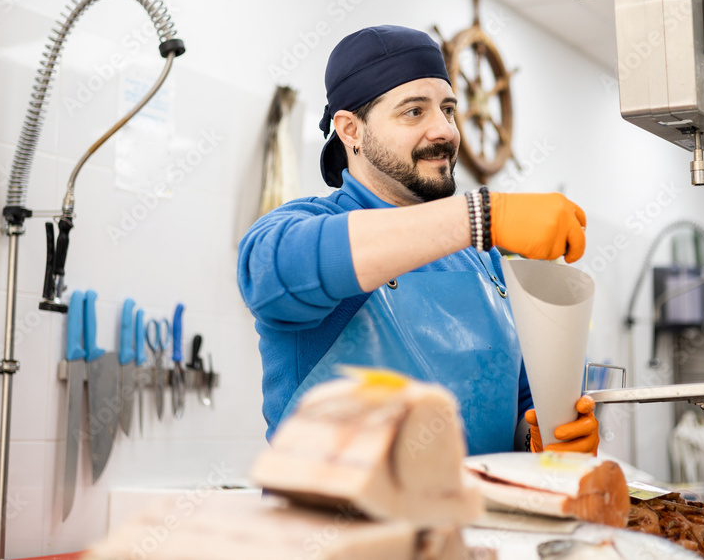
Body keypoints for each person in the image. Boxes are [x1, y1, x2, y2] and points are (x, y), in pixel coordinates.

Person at [237, 24, 599, 456]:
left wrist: (544, 441)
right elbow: (269, 276)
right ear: (350, 130)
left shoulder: (485, 263)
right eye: (414, 111)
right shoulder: (306, 226)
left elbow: (519, 411)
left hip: (472, 522)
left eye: (448, 109)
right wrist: (482, 215)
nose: (444, 130)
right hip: (337, 525)